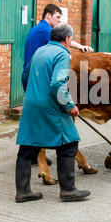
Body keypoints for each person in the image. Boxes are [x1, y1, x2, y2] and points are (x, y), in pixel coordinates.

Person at [15, 23, 90, 203]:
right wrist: (70, 106)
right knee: (69, 144)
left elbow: (25, 75)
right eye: (71, 38)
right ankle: (68, 190)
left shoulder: (40, 50)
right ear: (67, 39)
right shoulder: (62, 54)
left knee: (27, 148)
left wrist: (33, 93)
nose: (70, 41)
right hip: (50, 105)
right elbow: (57, 84)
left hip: (31, 103)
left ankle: (23, 192)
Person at [23, 4, 93, 70]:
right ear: (48, 16)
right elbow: (63, 41)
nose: (59, 20)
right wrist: (80, 47)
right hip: (36, 72)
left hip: (29, 72)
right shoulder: (46, 30)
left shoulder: (36, 28)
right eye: (57, 17)